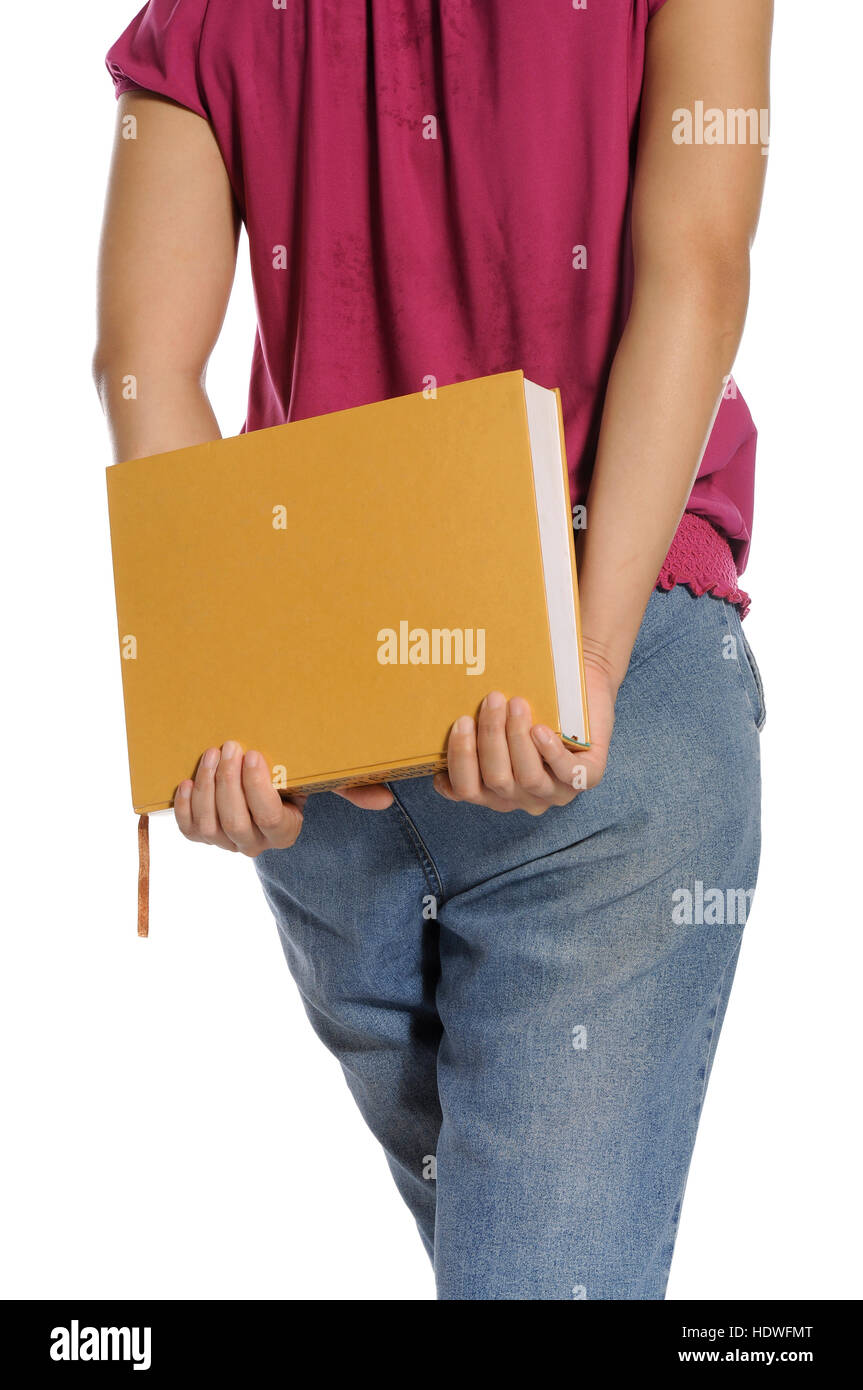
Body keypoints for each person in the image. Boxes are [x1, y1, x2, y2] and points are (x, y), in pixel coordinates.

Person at [95, 0, 772, 1299]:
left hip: (327, 764)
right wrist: (589, 649)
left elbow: (137, 360)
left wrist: (232, 688)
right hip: (592, 723)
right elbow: (699, 260)